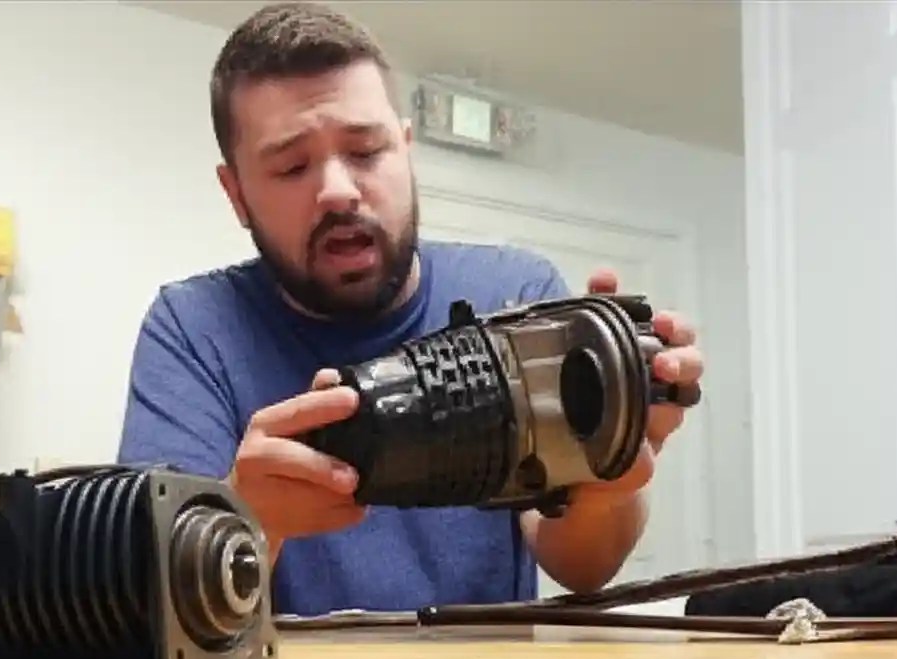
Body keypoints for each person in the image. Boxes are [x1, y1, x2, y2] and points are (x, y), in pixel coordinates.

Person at [117, 1, 705, 618]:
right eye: (291, 167)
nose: (338, 190)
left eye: (366, 151)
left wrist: (610, 479)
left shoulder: (519, 294)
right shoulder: (193, 329)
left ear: (404, 149)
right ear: (236, 193)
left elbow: (581, 567)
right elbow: (155, 607)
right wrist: (247, 521)